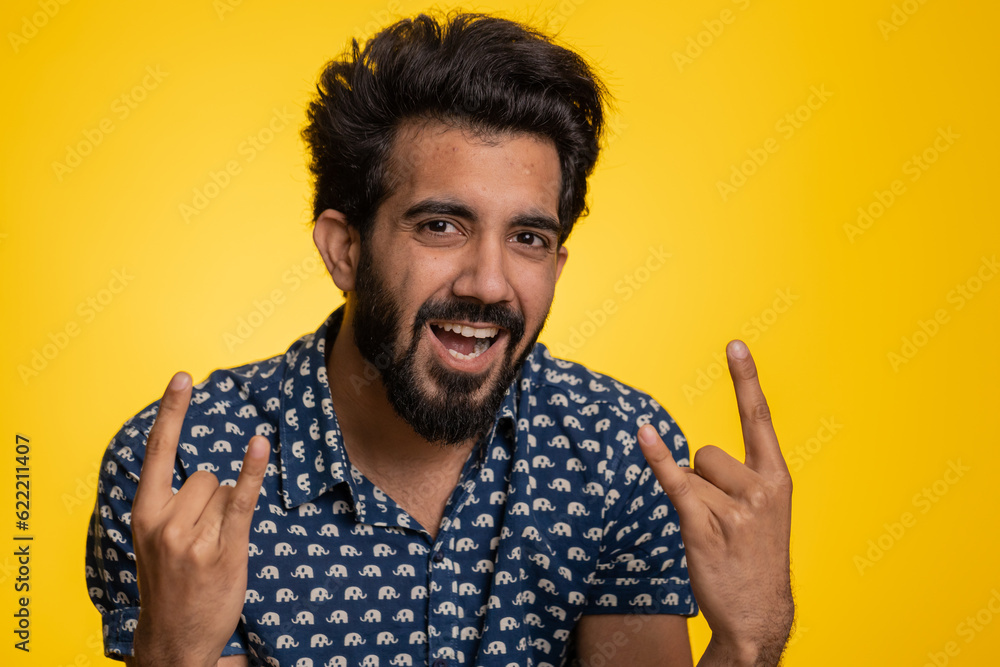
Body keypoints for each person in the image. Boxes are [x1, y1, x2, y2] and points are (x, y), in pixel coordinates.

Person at [86, 12, 793, 667]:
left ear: (557, 264)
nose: (489, 283)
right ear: (344, 251)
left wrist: (750, 639)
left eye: (527, 237)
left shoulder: (618, 452)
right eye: (441, 226)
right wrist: (174, 651)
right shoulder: (186, 470)